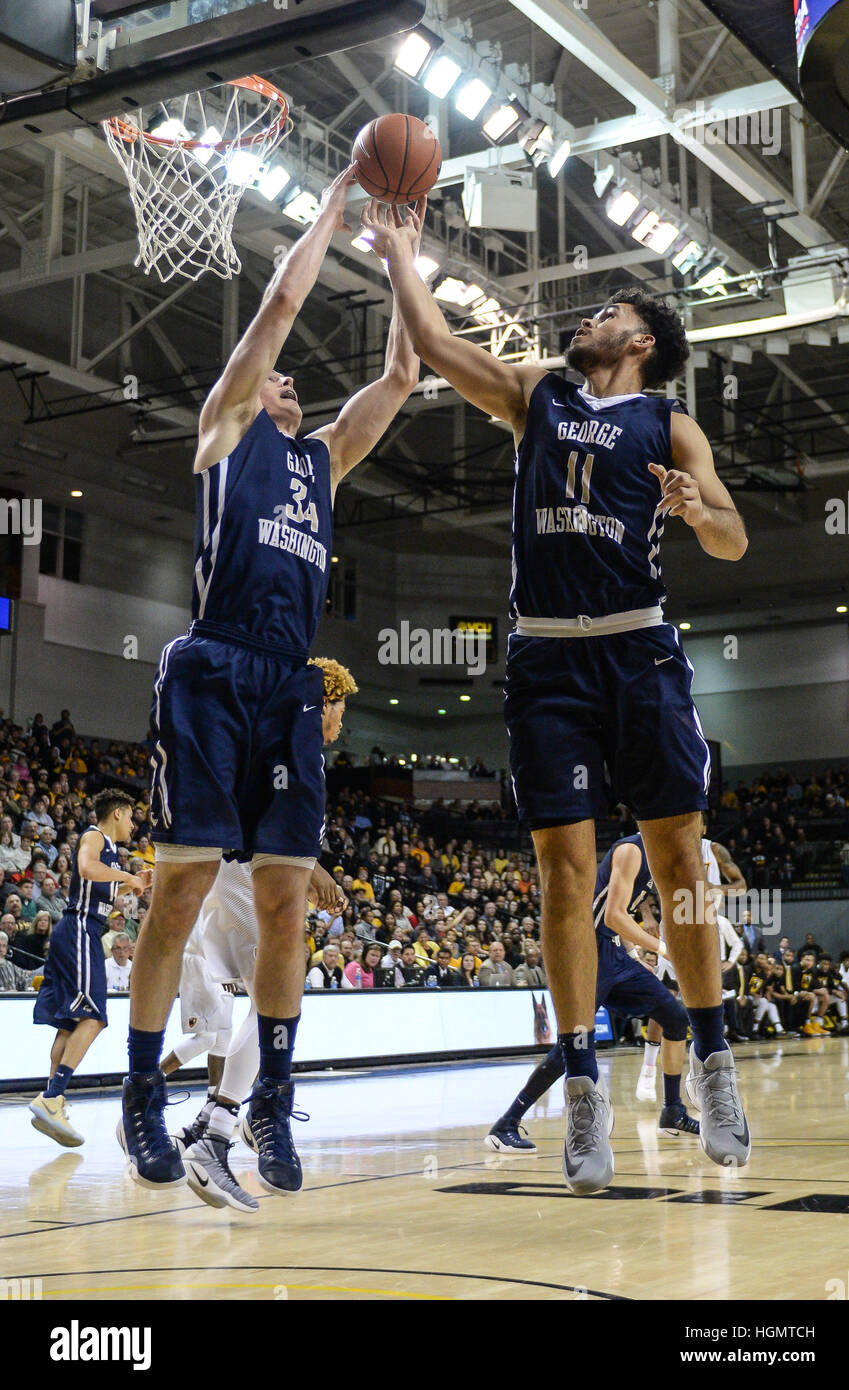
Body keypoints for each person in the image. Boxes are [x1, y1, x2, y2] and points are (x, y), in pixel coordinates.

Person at [362, 200, 750, 1195]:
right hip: (545, 661)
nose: (585, 317)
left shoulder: (669, 422)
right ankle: (580, 1085)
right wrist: (404, 258)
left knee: (680, 861)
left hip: (638, 653)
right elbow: (442, 346)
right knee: (563, 873)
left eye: (606, 309)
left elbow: (731, 541)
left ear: (642, 338)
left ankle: (711, 1061)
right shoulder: (537, 389)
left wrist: (689, 500)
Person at [117, 164, 422, 1195]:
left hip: (288, 683)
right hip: (210, 667)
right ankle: (136, 1099)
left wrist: (403, 261)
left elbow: (399, 383)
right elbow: (281, 303)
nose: (287, 380)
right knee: (182, 887)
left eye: (293, 381)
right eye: (279, 375)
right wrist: (339, 196)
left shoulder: (321, 466)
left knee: (287, 906)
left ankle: (272, 1105)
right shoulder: (225, 429)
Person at [162, 660, 354, 1209]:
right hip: (242, 873)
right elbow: (257, 812)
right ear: (328, 702)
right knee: (272, 1005)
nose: (343, 723)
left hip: (239, 873)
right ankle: (220, 1129)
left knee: (266, 1006)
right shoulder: (287, 735)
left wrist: (313, 866)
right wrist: (306, 867)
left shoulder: (296, 743)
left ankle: (200, 1126)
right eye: (342, 709)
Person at [486, 834, 698, 1156]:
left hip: (615, 954)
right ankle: (506, 1124)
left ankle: (673, 1110)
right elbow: (611, 916)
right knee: (573, 1045)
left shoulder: (658, 856)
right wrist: (662, 949)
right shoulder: (631, 850)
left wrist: (632, 952)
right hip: (588, 951)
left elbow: (611, 910)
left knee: (675, 1016)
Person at [30, 790, 147, 1146]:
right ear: (118, 812)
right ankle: (52, 1098)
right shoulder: (95, 836)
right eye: (130, 817)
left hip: (80, 929)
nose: (133, 824)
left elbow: (105, 893)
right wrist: (128, 877)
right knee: (94, 1018)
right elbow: (84, 867)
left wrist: (139, 884)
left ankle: (53, 1102)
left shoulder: (108, 853)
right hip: (80, 929)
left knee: (70, 1023)